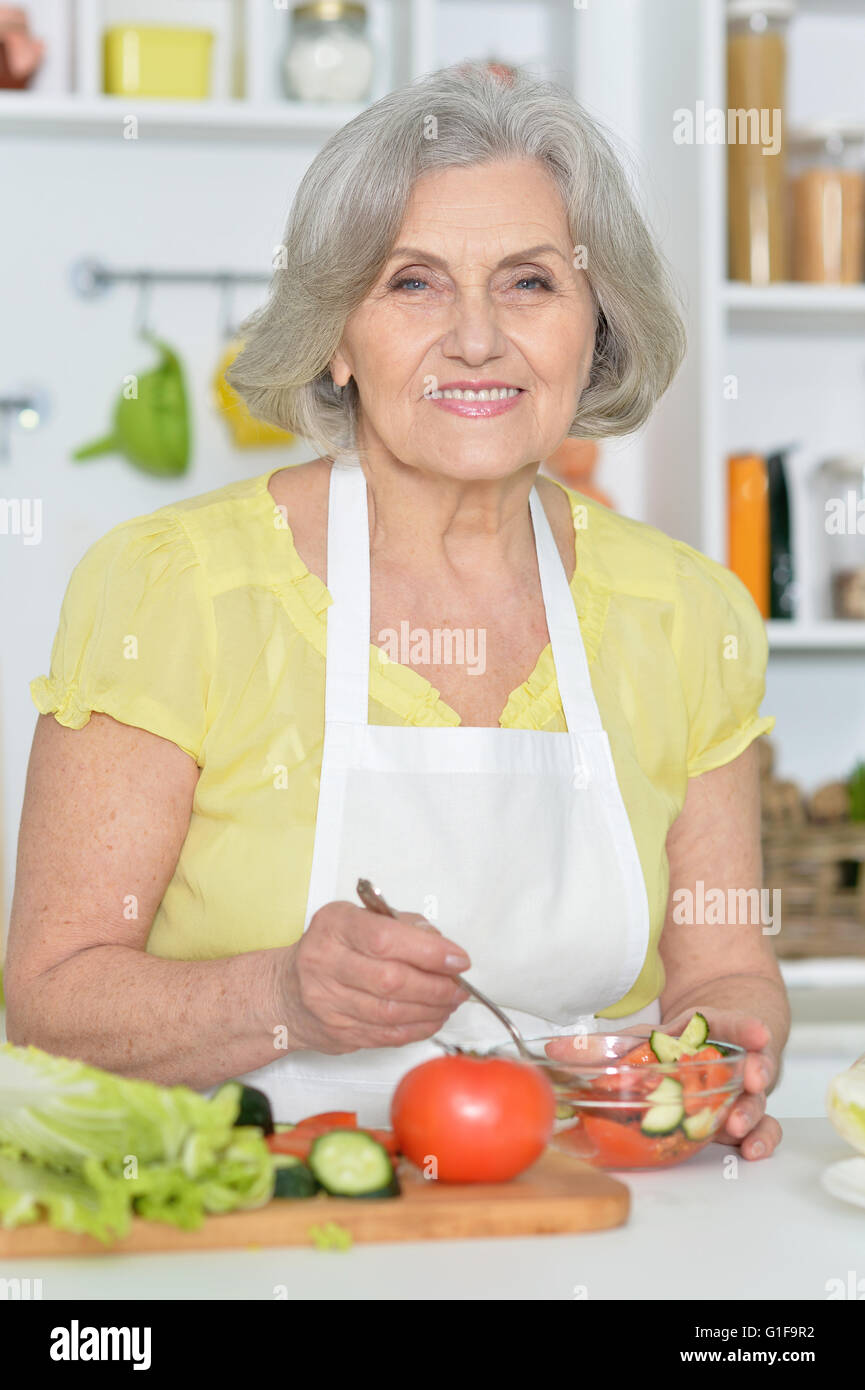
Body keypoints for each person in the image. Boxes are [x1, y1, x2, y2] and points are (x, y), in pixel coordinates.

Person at [7, 65, 786, 1154]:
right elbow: (51, 1004)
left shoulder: (685, 612)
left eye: (529, 283)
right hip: (250, 1218)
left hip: (587, 1214)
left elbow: (722, 965)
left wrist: (733, 1041)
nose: (476, 337)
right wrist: (282, 992)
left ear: (594, 332)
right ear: (336, 335)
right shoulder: (175, 587)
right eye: (412, 283)